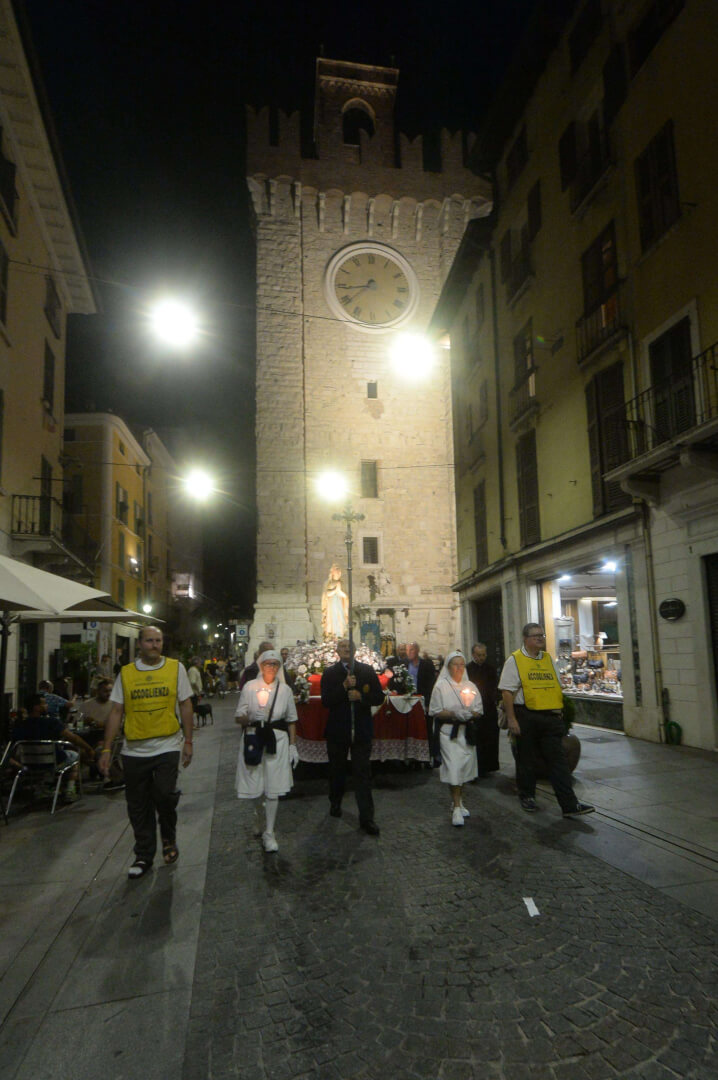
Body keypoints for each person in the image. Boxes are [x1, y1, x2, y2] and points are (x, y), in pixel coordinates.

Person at [99, 626, 194, 878]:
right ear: (140, 644)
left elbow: (185, 704)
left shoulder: (176, 668)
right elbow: (117, 711)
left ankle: (168, 837)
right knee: (138, 806)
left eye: (159, 640)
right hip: (134, 749)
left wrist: (188, 741)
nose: (155, 645)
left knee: (164, 794)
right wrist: (107, 748)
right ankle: (143, 855)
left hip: (167, 744)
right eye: (150, 641)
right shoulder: (126, 674)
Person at [499, 623, 594, 818]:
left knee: (558, 762)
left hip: (550, 717)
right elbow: (507, 692)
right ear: (525, 639)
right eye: (535, 636)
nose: (540, 639)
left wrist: (559, 712)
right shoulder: (515, 660)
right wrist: (512, 719)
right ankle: (527, 796)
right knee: (526, 760)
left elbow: (555, 686)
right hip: (526, 715)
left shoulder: (548, 659)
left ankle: (569, 804)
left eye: (542, 635)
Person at [234, 650, 299, 853]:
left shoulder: (285, 691)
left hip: (277, 741)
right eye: (268, 664)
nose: (271, 667)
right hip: (254, 738)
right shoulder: (250, 687)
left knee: (273, 786)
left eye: (275, 664)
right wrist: (251, 716)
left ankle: (269, 832)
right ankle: (259, 815)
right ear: (261, 666)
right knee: (255, 783)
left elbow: (291, 720)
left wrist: (292, 745)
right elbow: (239, 717)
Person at [320, 638, 384, 835]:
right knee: (337, 770)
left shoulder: (366, 670)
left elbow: (379, 697)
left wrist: (361, 697)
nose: (346, 649)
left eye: (350, 647)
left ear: (355, 650)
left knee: (363, 774)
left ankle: (367, 817)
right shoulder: (330, 673)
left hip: (361, 730)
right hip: (338, 730)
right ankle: (335, 803)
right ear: (337, 651)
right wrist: (343, 687)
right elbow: (326, 701)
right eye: (343, 647)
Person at [428, 652, 482, 826]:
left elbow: (479, 709)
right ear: (448, 667)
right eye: (455, 665)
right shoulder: (441, 686)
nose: (459, 668)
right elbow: (435, 710)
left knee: (464, 769)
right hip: (448, 733)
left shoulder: (471, 685)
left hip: (466, 734)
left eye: (462, 665)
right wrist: (454, 714)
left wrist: (469, 714)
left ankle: (458, 801)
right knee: (454, 768)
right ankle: (457, 807)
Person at [13, 693, 95, 802]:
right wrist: (88, 748)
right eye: (44, 704)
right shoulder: (51, 722)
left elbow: (13, 747)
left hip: (29, 764)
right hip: (54, 761)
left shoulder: (20, 726)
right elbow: (73, 738)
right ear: (36, 707)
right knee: (74, 755)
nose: (47, 706)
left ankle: (44, 787)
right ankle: (70, 790)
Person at [466, 643, 501, 776]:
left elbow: (494, 686)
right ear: (473, 655)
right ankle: (476, 768)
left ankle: (488, 766)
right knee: (477, 739)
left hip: (489, 708)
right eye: (479, 655)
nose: (481, 658)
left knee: (489, 738)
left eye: (484, 655)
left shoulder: (491, 669)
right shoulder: (468, 669)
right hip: (474, 708)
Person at [403, 641, 437, 763]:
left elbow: (430, 685)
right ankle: (413, 758)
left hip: (423, 700)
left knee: (427, 729)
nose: (408, 653)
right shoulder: (404, 664)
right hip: (409, 701)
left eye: (411, 650)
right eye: (407, 650)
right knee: (412, 729)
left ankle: (428, 757)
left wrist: (428, 703)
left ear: (417, 651)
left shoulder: (427, 665)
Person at [321, 563, 349, 639]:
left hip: (340, 605)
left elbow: (345, 595)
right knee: (331, 621)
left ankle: (339, 635)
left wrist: (341, 593)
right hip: (331, 605)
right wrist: (335, 590)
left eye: (339, 572)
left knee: (340, 620)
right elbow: (326, 594)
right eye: (337, 572)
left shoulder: (342, 583)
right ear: (332, 573)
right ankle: (331, 635)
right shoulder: (328, 583)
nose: (339, 574)